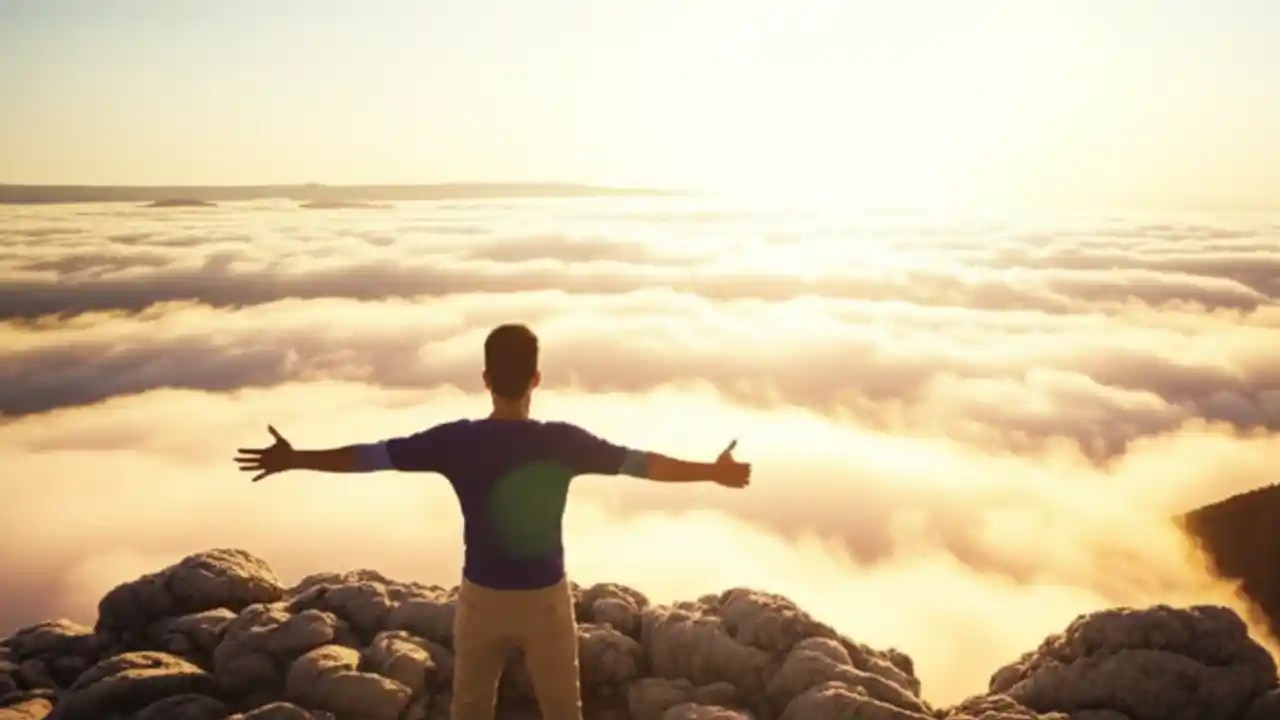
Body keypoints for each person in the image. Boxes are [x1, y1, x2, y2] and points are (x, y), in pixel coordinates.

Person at [234, 323, 752, 720]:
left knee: (471, 710)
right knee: (563, 712)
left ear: (485, 379)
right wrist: (712, 472)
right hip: (546, 601)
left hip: (481, 598)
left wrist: (296, 457)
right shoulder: (562, 442)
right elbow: (643, 464)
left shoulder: (457, 441)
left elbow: (372, 457)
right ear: (536, 379)